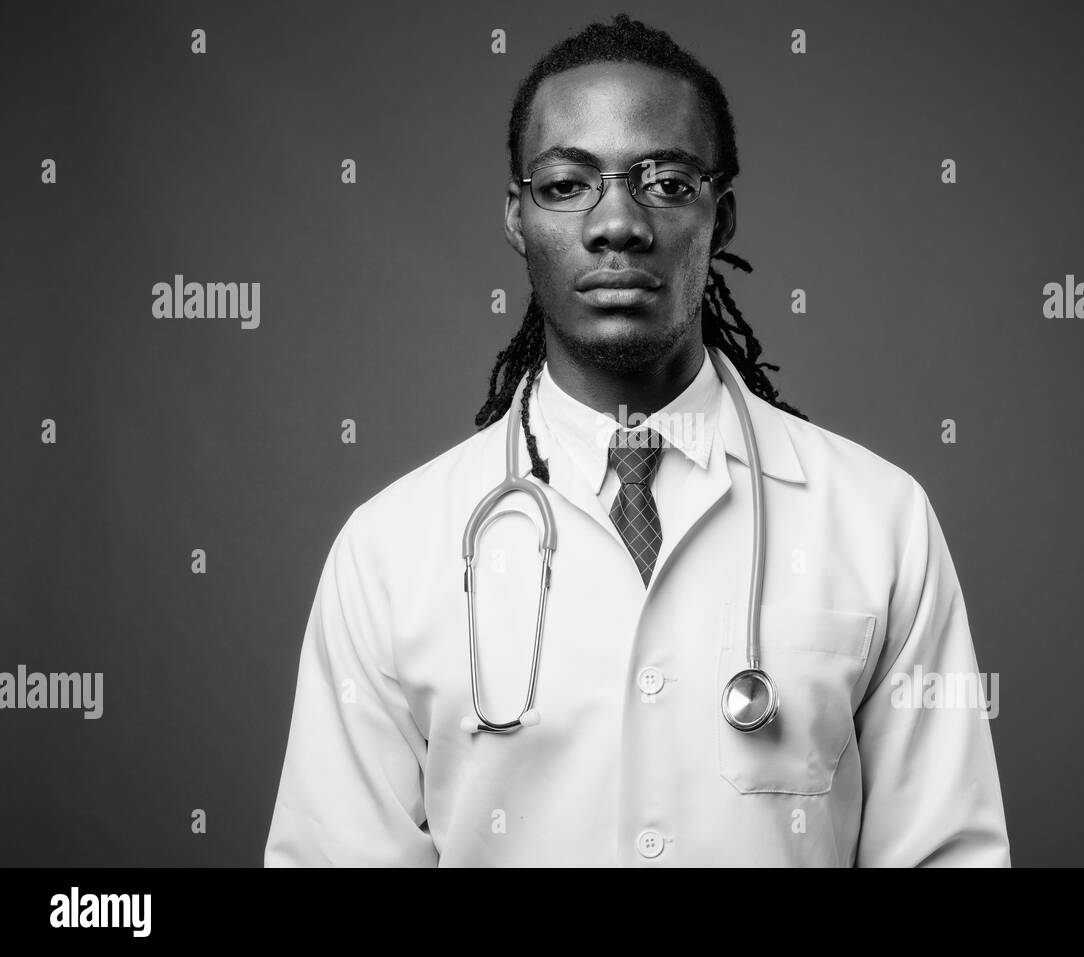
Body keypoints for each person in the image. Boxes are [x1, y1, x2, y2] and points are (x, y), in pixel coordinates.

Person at [265, 13, 1011, 867]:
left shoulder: (882, 522)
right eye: (565, 184)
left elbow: (946, 857)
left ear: (720, 216)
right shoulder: (388, 551)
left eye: (665, 181)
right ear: (517, 217)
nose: (617, 223)